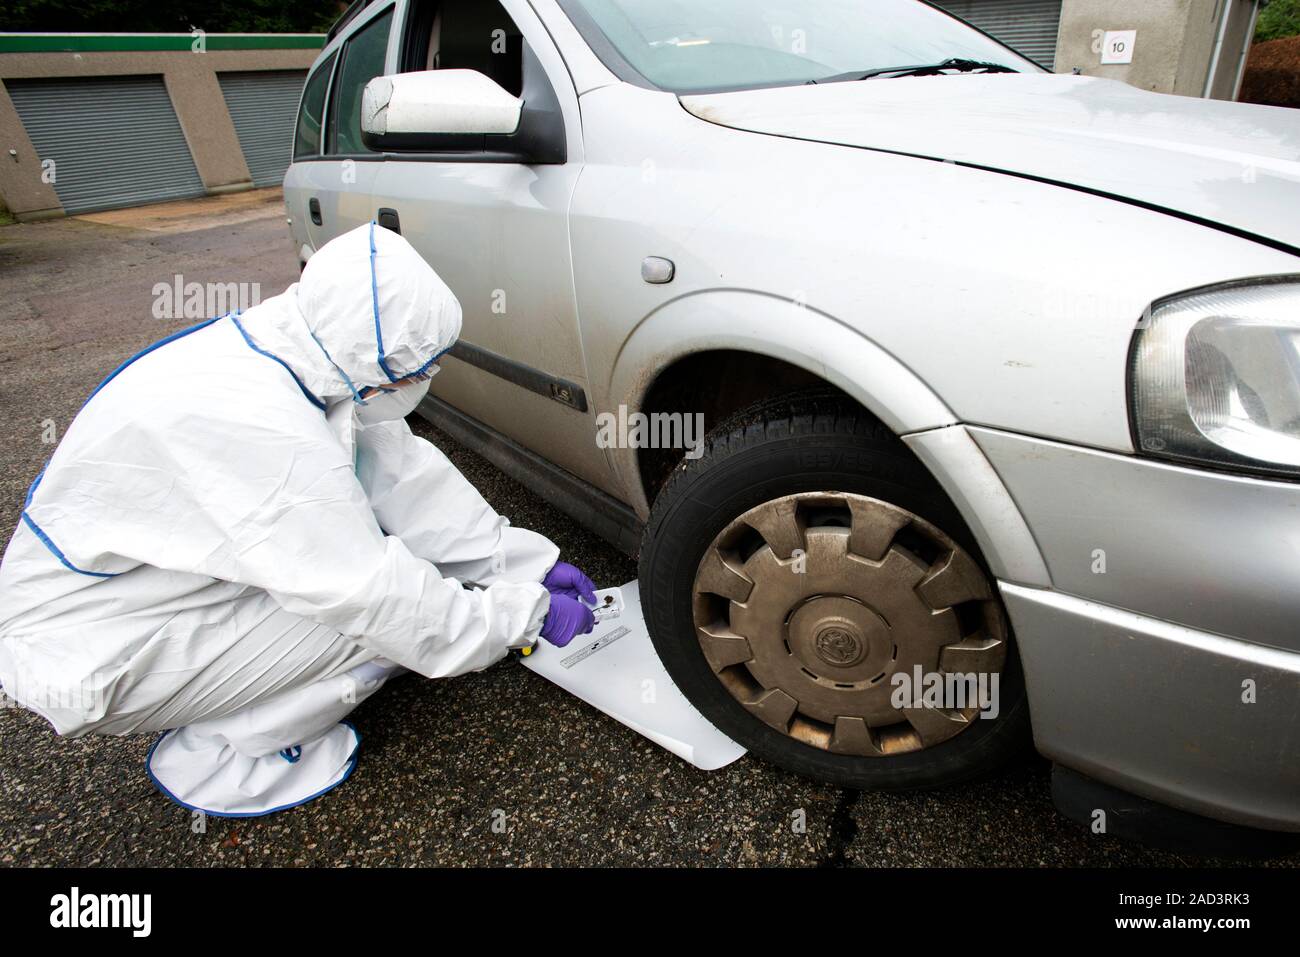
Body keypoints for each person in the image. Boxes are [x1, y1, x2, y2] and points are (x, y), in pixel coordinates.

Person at [0, 222, 597, 817]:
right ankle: (239, 751)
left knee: (401, 583)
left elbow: (403, 475)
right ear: (378, 361)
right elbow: (370, 597)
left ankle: (242, 702)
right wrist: (523, 616)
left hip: (146, 594)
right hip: (90, 653)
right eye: (418, 371)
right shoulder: (254, 422)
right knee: (384, 623)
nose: (424, 382)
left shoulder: (305, 351)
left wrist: (522, 565)